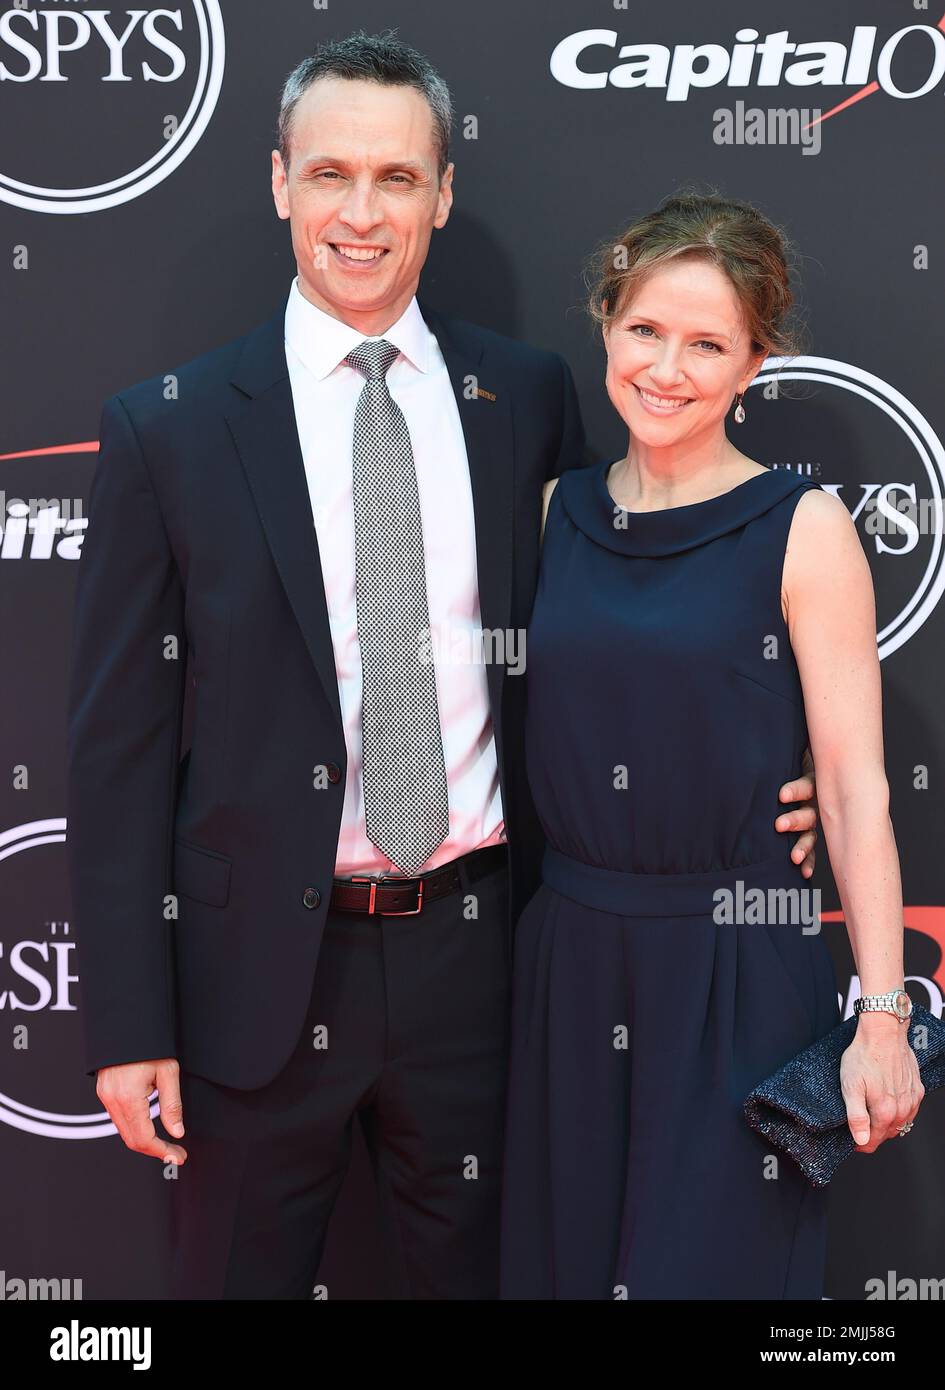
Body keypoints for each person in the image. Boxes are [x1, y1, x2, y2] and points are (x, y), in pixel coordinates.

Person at [65, 32, 818, 1301]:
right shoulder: (169, 428)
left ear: (444, 195)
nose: (362, 215)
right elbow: (117, 753)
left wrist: (760, 787)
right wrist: (131, 1025)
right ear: (277, 183)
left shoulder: (522, 398)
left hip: (484, 967)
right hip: (252, 984)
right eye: (331, 175)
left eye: (398, 179)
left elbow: (621, 632)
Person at [499, 192, 925, 1300]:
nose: (667, 368)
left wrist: (881, 1016)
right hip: (571, 963)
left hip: (738, 960)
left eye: (707, 344)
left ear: (753, 364)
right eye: (645, 329)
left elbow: (851, 788)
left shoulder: (803, 524)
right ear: (605, 323)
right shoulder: (554, 512)